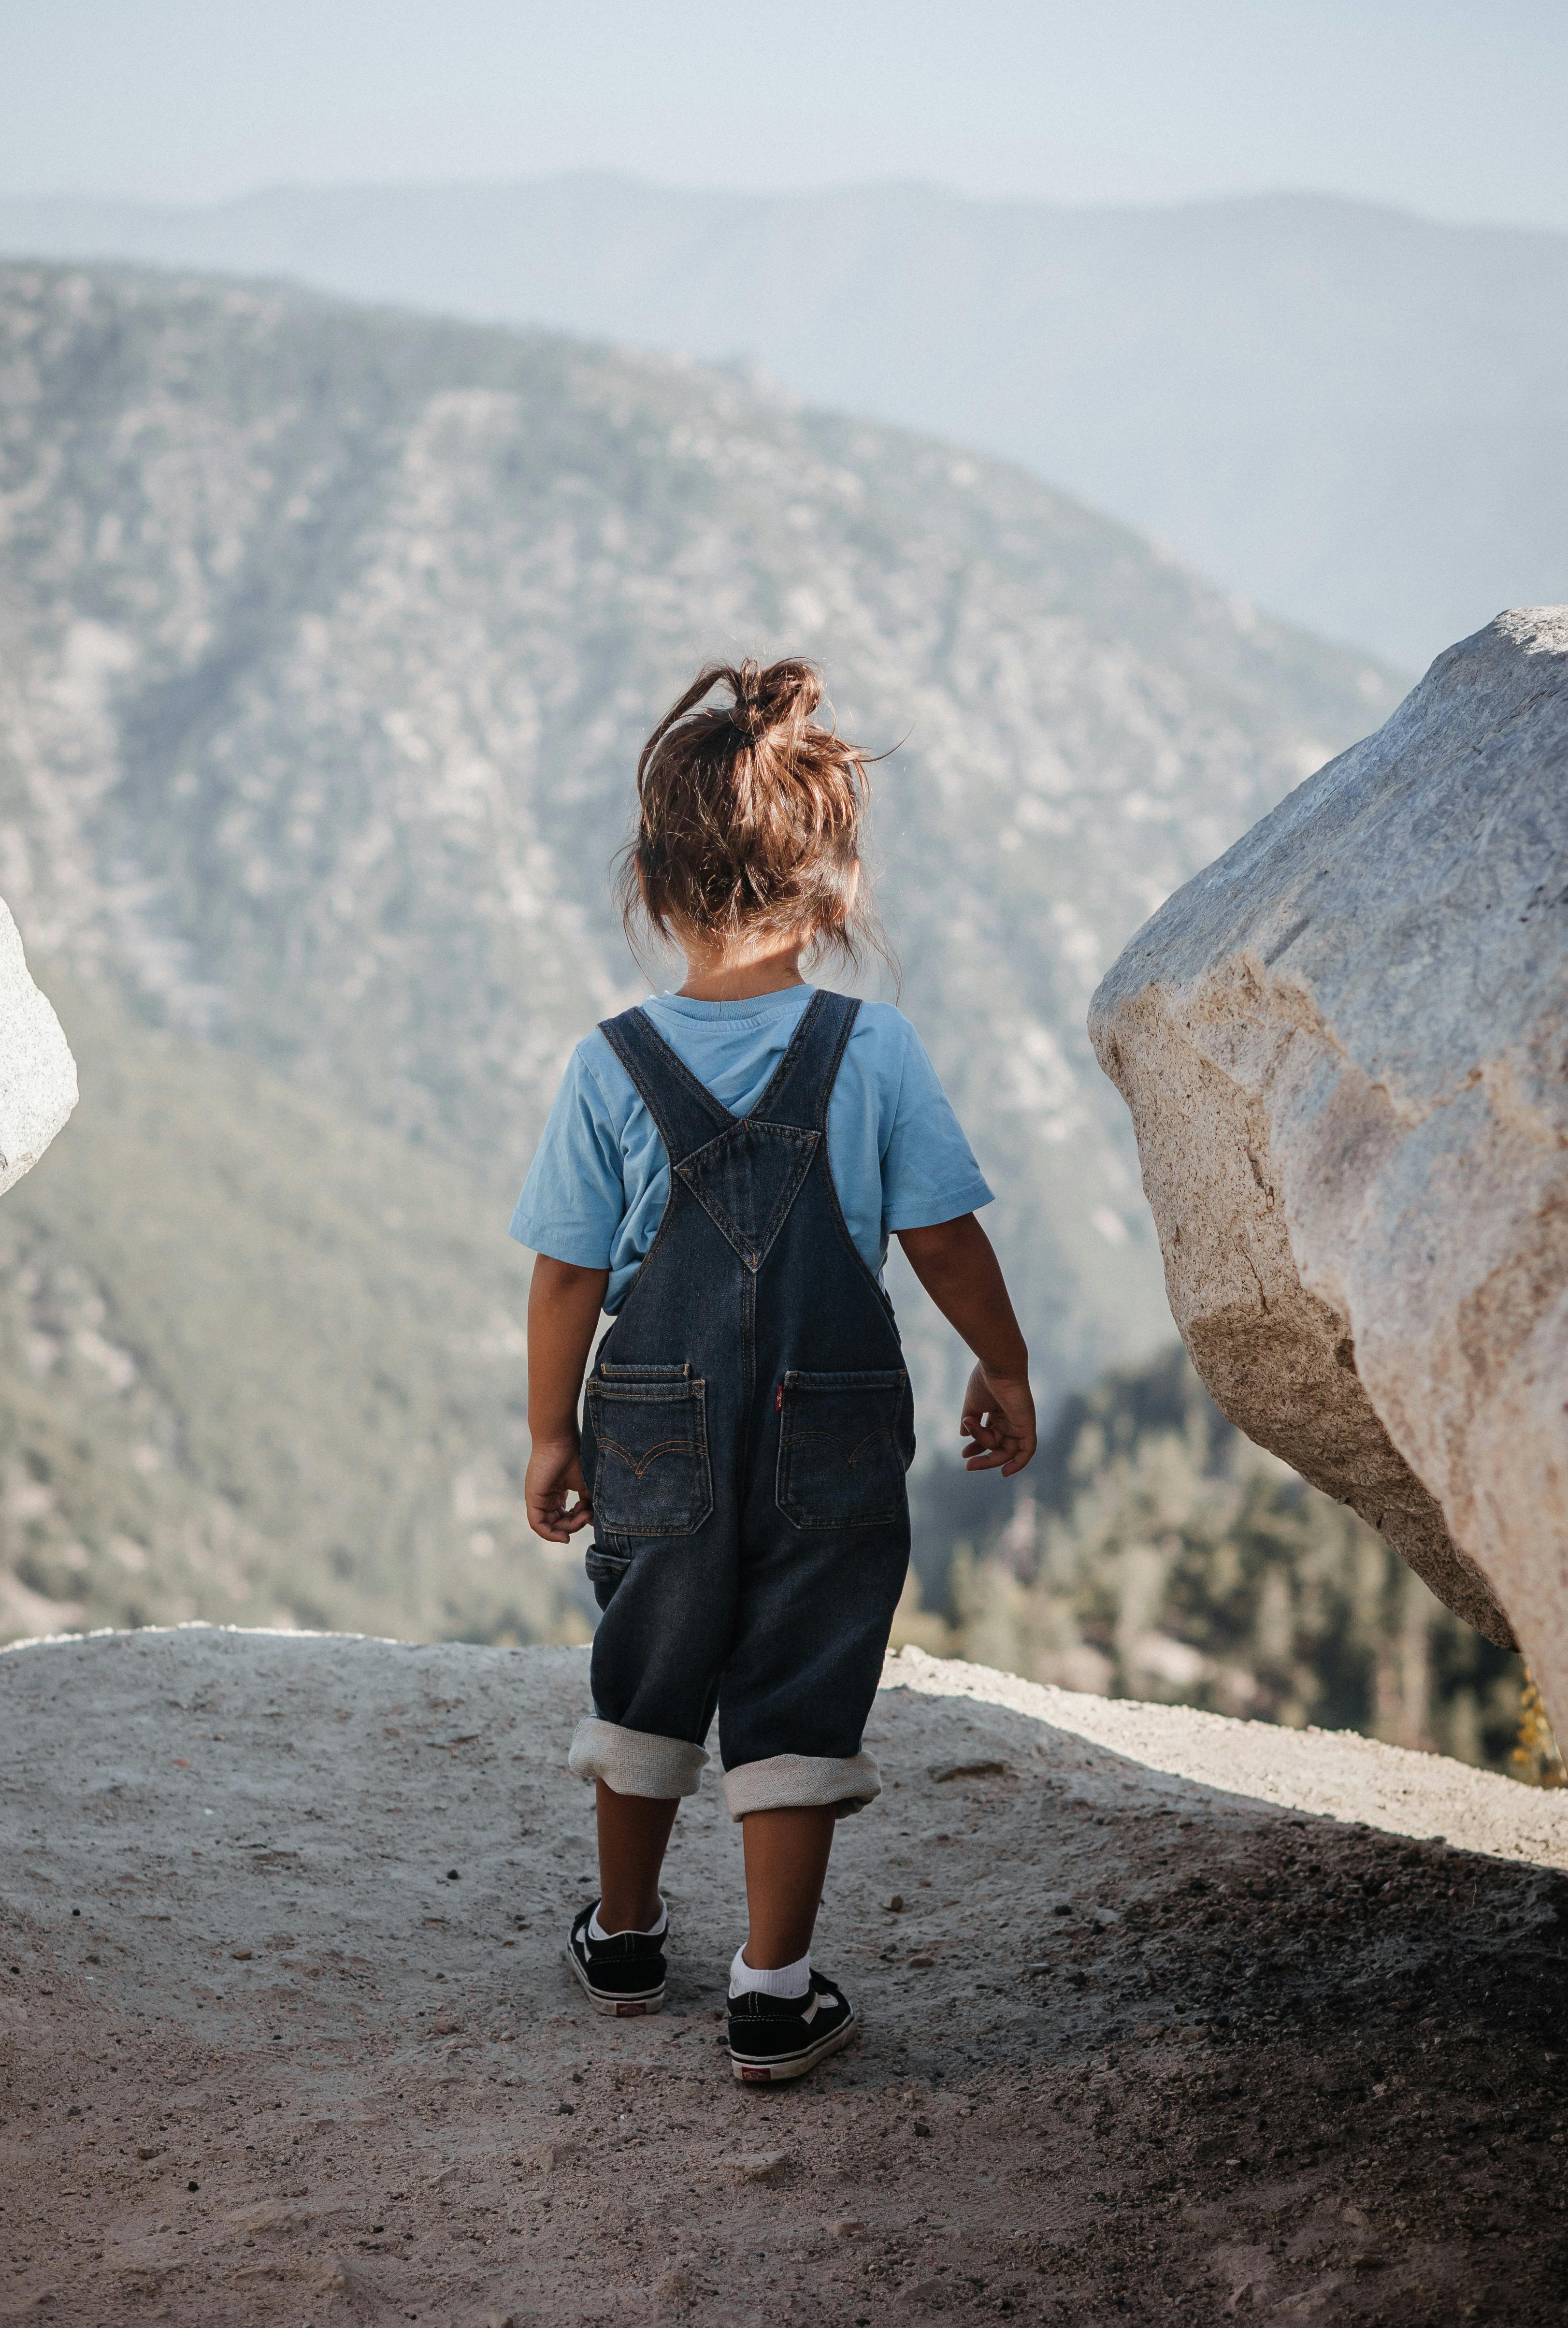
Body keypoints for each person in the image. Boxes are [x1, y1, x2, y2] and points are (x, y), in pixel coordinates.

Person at [509, 657, 1036, 2084]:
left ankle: (624, 1938)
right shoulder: (874, 1052)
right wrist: (1005, 1363)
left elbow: (564, 1273)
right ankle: (772, 1988)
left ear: (651, 885)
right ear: (835, 890)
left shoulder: (607, 1066)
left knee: (651, 1651)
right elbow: (941, 1235)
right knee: (801, 1669)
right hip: (838, 1414)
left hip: (652, 1414)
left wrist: (552, 1436)